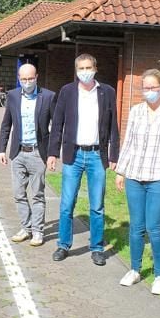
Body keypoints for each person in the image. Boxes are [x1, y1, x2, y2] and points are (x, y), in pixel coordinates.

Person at [113, 69, 160, 295]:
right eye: (146, 88)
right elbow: (129, 142)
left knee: (154, 227)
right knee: (136, 226)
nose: (150, 92)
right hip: (135, 175)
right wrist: (121, 171)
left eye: (154, 88)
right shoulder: (136, 112)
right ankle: (134, 269)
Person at [47, 53, 120, 266]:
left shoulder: (107, 92)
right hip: (74, 154)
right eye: (81, 68)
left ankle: (97, 247)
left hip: (97, 155)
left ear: (95, 68)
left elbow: (113, 126)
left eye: (89, 68)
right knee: (67, 203)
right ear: (76, 70)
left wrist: (113, 154)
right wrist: (52, 153)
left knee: (97, 205)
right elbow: (57, 124)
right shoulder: (67, 92)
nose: (85, 72)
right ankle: (63, 244)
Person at [0, 64, 56, 247]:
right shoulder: (13, 96)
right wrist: (2, 149)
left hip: (38, 153)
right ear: (19, 78)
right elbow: (6, 124)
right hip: (18, 152)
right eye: (24, 79)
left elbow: (56, 128)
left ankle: (38, 231)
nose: (27, 82)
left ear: (37, 76)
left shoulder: (48, 97)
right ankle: (26, 227)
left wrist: (53, 153)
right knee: (18, 193)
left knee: (37, 194)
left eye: (31, 78)